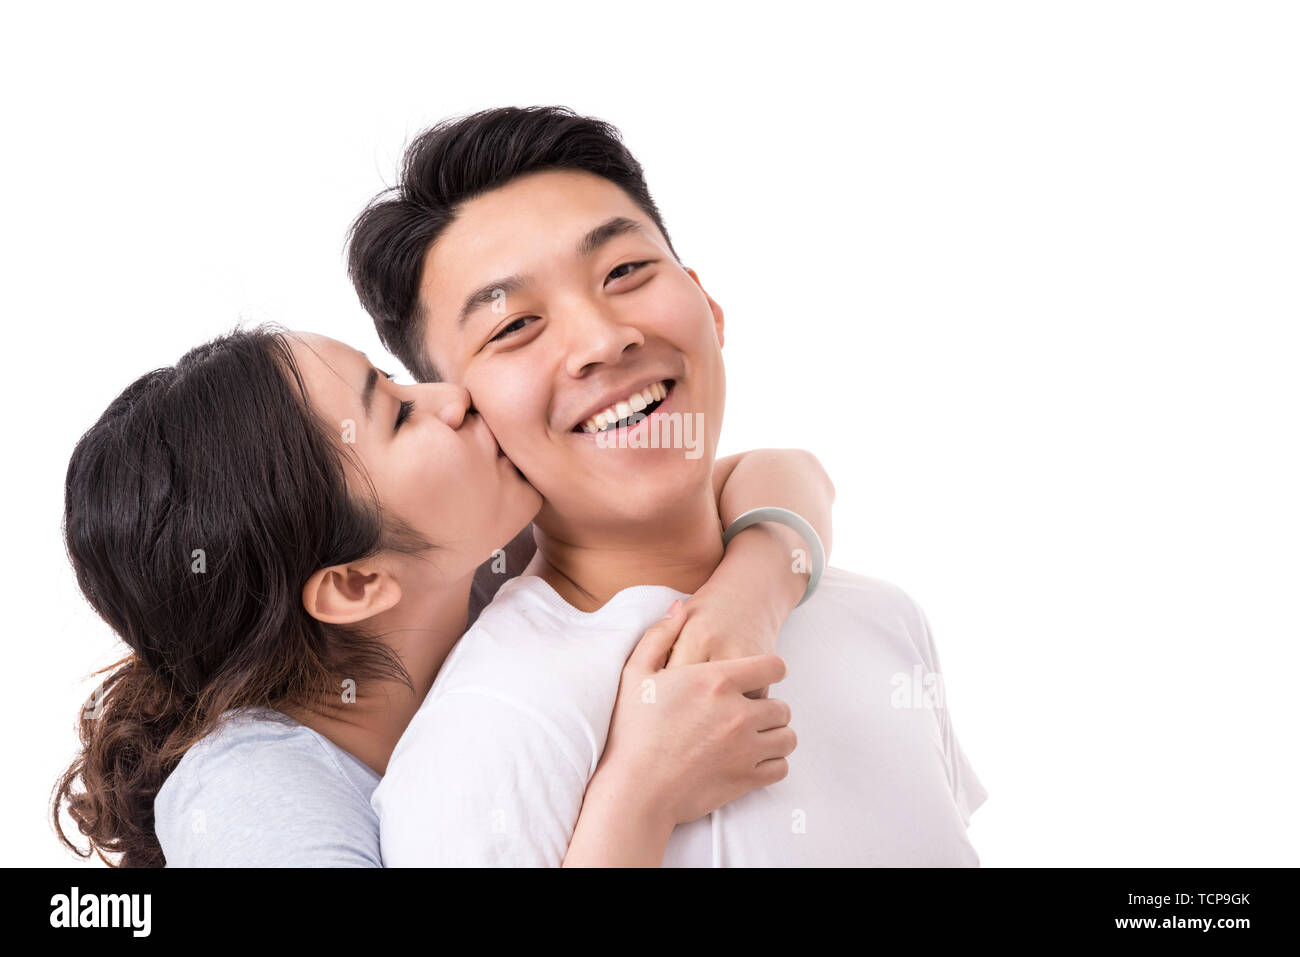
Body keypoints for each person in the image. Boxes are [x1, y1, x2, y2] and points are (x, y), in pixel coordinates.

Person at [348, 105, 989, 866]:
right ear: (465, 417)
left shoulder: (881, 617)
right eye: (514, 325)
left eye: (624, 272)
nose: (601, 338)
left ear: (707, 305)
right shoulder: (491, 724)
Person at [52, 325, 834, 866]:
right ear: (356, 584)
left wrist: (749, 591)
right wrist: (642, 793)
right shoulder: (248, 799)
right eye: (395, 412)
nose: (450, 396)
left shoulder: (477, 570)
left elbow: (777, 470)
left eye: (394, 378)